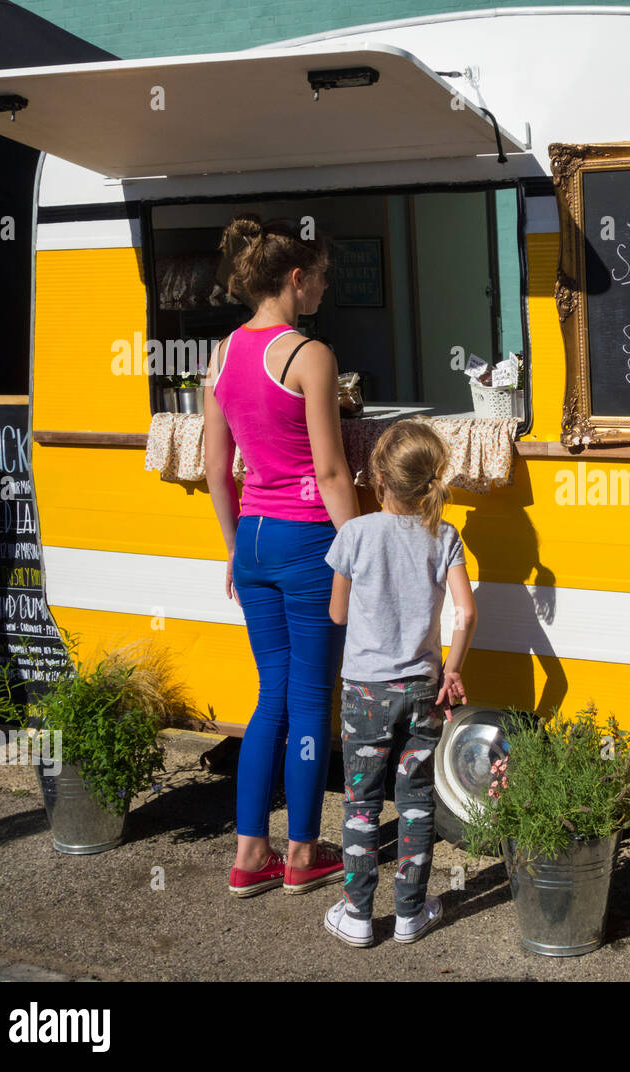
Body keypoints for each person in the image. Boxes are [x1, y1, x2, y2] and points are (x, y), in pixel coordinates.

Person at [204, 214, 359, 897]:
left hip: (256, 540)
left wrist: (235, 550)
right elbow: (330, 474)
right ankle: (300, 853)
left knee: (271, 697)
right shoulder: (310, 355)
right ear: (296, 279)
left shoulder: (224, 352)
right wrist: (361, 554)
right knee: (311, 699)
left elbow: (218, 468)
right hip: (307, 543)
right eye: (321, 276)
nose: (325, 288)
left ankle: (249, 854)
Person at [322, 420, 477, 947]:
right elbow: (467, 612)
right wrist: (452, 669)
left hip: (366, 691)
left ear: (378, 478)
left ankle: (358, 915)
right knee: (415, 799)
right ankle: (411, 913)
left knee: (361, 801)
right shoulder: (445, 536)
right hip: (424, 689)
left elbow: (337, 615)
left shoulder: (355, 535)